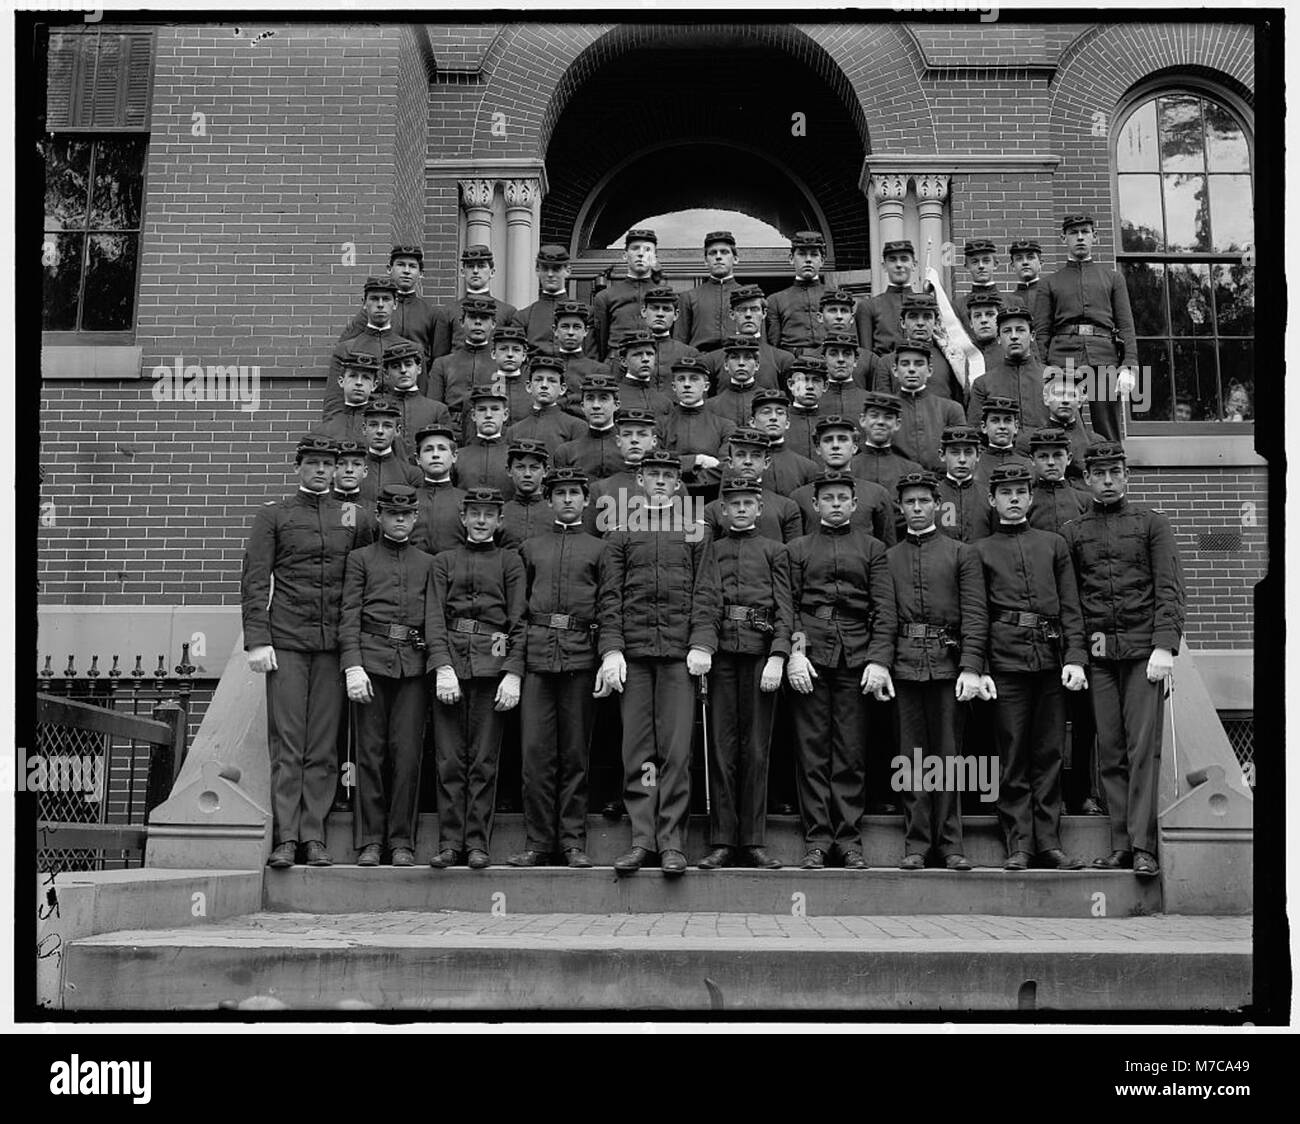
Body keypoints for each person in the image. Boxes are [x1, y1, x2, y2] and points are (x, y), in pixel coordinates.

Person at [241, 435, 374, 869]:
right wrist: (258, 638)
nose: (321, 470)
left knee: (322, 743)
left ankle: (313, 835)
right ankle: (286, 837)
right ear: (298, 467)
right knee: (287, 742)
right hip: (288, 642)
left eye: (328, 464)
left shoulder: (353, 517)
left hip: (335, 645)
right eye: (313, 463)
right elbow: (256, 580)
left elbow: (366, 579)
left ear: (338, 470)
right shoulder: (273, 516)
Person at [595, 450, 721, 876]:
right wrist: (611, 650)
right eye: (654, 475)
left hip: (678, 659)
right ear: (641, 479)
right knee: (638, 753)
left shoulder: (696, 530)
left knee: (675, 753)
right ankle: (642, 839)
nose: (662, 481)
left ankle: (672, 842)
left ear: (679, 481)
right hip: (634, 656)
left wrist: (702, 644)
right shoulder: (620, 532)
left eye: (669, 475)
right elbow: (609, 597)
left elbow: (706, 593)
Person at [1063, 443, 1186, 877]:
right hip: (1099, 659)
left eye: (1115, 472)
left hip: (1141, 655)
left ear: (1126, 476)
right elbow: (1071, 602)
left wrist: (1164, 646)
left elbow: (1169, 587)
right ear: (1088, 479)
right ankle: (1120, 842)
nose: (1108, 480)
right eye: (1100, 474)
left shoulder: (1153, 525)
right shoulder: (1074, 532)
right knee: (1110, 750)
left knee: (1141, 751)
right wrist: (1076, 657)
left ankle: (1143, 844)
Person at [974, 462, 1089, 872]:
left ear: (1031, 496)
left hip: (1050, 661)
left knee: (1050, 753)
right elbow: (977, 613)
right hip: (1006, 663)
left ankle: (1049, 842)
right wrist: (981, 665)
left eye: (1021, 491)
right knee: (1013, 753)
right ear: (992, 499)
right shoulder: (980, 550)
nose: (1014, 499)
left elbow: (1071, 606)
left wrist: (1076, 657)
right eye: (1006, 493)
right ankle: (1019, 842)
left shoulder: (1054, 545)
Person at [785, 470, 897, 869]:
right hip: (811, 658)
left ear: (854, 504)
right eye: (827, 498)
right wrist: (795, 652)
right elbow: (789, 607)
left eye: (842, 498)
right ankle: (817, 840)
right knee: (812, 751)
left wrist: (880, 660)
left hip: (856, 655)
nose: (835, 504)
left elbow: (885, 609)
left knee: (850, 752)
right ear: (815, 506)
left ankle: (848, 840)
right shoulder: (797, 549)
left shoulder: (873, 548)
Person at [507, 467, 608, 868]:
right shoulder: (530, 548)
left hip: (581, 658)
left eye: (574, 493)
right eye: (560, 493)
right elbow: (517, 614)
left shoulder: (600, 550)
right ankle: (539, 842)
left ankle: (572, 842)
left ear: (585, 500)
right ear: (549, 501)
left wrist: (604, 659)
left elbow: (608, 607)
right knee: (535, 754)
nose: (567, 499)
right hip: (536, 659)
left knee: (574, 755)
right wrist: (514, 667)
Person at [888, 470, 987, 871]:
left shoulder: (961, 553)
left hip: (949, 667)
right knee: (910, 759)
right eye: (909, 502)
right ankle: (916, 844)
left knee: (949, 758)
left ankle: (950, 844)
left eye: (923, 501)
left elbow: (976, 615)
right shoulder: (888, 557)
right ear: (901, 507)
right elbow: (883, 615)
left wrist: (971, 667)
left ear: (936, 505)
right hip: (904, 666)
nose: (916, 508)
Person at [426, 486, 526, 869]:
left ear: (500, 521)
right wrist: (443, 666)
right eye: (475, 514)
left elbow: (518, 621)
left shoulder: (510, 562)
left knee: (484, 760)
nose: (481, 521)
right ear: (463, 518)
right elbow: (433, 616)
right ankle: (450, 843)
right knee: (449, 760)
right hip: (451, 664)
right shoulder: (444, 561)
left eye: (489, 514)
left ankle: (477, 843)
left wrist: (512, 673)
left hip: (491, 667)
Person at [699, 475, 794, 871]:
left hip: (760, 656)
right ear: (722, 510)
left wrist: (778, 656)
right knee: (721, 749)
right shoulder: (712, 550)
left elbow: (787, 609)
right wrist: (701, 647)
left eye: (747, 503)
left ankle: (753, 841)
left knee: (756, 748)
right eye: (733, 503)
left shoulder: (776, 551)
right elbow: (703, 601)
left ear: (759, 508)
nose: (740, 509)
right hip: (721, 655)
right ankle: (722, 841)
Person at [340, 485, 436, 868]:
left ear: (415, 518)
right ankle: (370, 840)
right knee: (370, 754)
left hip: (412, 667)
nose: (400, 520)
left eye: (407, 515)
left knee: (407, 755)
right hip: (371, 663)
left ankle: (401, 841)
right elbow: (348, 613)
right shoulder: (360, 559)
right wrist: (353, 665)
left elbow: (433, 619)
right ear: (378, 517)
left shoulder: (428, 563)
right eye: (392, 514)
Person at [1033, 213, 1139, 442]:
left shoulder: (1112, 278)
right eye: (1073, 233)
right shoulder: (1049, 283)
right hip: (1062, 360)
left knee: (1107, 428)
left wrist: (1129, 365)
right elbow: (1042, 332)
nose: (1080, 238)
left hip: (1103, 357)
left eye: (1085, 232)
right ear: (1064, 238)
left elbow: (1126, 326)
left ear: (1095, 237)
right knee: (1063, 426)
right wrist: (1042, 368)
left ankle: (1111, 470)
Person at [790, 415, 895, 545]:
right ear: (818, 448)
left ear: (855, 447)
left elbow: (887, 548)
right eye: (828, 440)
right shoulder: (800, 497)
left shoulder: (877, 494)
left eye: (843, 439)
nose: (835, 446)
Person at [342, 244, 449, 372]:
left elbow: (439, 361)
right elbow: (347, 347)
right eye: (401, 265)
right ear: (389, 269)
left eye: (412, 266)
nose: (406, 271)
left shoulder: (432, 314)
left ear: (421, 273)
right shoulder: (375, 310)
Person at [324, 277, 418, 418]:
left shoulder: (411, 348)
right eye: (374, 299)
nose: (380, 305)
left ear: (395, 304)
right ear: (364, 303)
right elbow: (334, 402)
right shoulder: (346, 350)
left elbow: (418, 398)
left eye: (386, 299)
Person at [702, 428, 803, 544]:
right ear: (730, 462)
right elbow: (706, 555)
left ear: (766, 463)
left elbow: (793, 553)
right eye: (740, 455)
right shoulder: (712, 511)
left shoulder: (786, 507)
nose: (748, 461)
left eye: (756, 455)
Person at [967, 304, 1049, 436]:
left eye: (1020, 330)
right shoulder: (983, 384)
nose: (1014, 336)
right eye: (1007, 331)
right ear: (999, 338)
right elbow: (975, 432)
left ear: (1032, 335)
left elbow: (1069, 428)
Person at [659, 355, 735, 500]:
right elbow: (656, 466)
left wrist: (680, 478)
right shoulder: (661, 425)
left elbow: (726, 469)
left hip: (710, 501)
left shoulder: (725, 426)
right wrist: (697, 460)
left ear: (706, 386)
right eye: (681, 379)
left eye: (694, 379)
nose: (687, 385)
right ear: (674, 387)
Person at [874, 291, 964, 403]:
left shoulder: (951, 359)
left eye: (927, 317)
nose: (920, 323)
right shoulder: (886, 363)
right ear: (902, 322)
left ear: (936, 322)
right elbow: (883, 408)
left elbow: (958, 404)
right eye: (913, 317)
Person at [701, 285, 793, 393]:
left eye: (754, 309)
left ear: (764, 313)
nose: (748, 315)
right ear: (732, 314)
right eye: (742, 310)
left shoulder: (782, 360)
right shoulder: (712, 360)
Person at [891, 343, 966, 473]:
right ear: (895, 370)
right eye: (905, 364)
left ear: (930, 370)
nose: (912, 369)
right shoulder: (887, 409)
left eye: (919, 364)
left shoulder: (950, 409)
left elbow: (959, 453)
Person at [427, 295, 498, 429]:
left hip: (488, 428)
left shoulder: (500, 365)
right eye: (472, 317)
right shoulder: (443, 364)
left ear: (493, 324)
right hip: (452, 430)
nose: (478, 322)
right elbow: (434, 408)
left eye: (484, 318)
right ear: (461, 322)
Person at [583, 407, 657, 536]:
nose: (634, 440)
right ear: (618, 441)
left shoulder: (672, 486)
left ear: (654, 441)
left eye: (642, 434)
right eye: (627, 434)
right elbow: (591, 540)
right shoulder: (600, 489)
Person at [592, 228, 662, 360]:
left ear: (654, 258)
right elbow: (600, 340)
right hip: (617, 363)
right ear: (625, 255)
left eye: (647, 250)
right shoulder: (606, 297)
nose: (641, 254)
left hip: (655, 363)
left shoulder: (666, 297)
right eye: (635, 248)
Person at [513, 245, 592, 355]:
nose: (550, 274)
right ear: (537, 271)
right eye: (545, 269)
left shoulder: (587, 314)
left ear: (568, 271)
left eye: (556, 269)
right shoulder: (523, 317)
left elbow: (591, 356)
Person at [381, 339, 451, 462]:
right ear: (386, 373)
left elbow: (445, 452)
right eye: (396, 366)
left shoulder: (437, 410)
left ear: (419, 368)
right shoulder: (378, 408)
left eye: (408, 364)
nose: (403, 370)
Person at [440, 244, 516, 352]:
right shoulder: (448, 312)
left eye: (481, 266)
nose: (475, 271)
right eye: (470, 266)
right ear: (462, 272)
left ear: (492, 272)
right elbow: (441, 356)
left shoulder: (507, 312)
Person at [505, 352, 585, 454]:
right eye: (538, 379)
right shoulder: (514, 431)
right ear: (529, 387)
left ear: (562, 389)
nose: (544, 385)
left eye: (552, 381)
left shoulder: (575, 427)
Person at [676, 231, 742, 353]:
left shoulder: (748, 297)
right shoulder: (689, 297)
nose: (718, 256)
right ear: (706, 261)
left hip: (738, 361)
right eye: (713, 253)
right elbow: (680, 342)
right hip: (701, 363)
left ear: (736, 259)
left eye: (724, 252)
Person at [766, 230, 829, 352]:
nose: (808, 260)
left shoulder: (832, 296)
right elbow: (774, 346)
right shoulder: (775, 300)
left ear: (822, 260)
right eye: (802, 254)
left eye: (814, 254)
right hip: (793, 363)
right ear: (791, 259)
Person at [749, 388, 820, 496]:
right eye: (766, 412)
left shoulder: (807, 468)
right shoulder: (741, 466)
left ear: (787, 423)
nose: (773, 418)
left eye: (780, 413)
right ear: (752, 422)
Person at [553, 372, 623, 480]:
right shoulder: (567, 452)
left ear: (616, 405)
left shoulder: (628, 450)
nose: (596, 406)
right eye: (590, 398)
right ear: (582, 406)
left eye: (603, 398)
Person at [409, 424, 466, 556]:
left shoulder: (466, 501)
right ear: (418, 458)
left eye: (442, 449)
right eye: (428, 449)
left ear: (454, 456)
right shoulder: (408, 500)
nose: (435, 455)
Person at [935, 425, 995, 544]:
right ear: (942, 455)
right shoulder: (932, 496)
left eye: (968, 452)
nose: (962, 459)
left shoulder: (988, 496)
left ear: (978, 455)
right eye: (955, 452)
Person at [856, 239, 917, 356]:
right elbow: (866, 356)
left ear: (914, 264)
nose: (899, 265)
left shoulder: (928, 304)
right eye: (892, 260)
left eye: (904, 259)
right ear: (884, 266)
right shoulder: (869, 307)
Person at [357, 397, 422, 503]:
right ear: (364, 429)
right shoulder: (353, 472)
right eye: (373, 425)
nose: (380, 431)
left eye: (387, 426)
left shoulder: (411, 474)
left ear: (397, 430)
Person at [455, 385, 515, 499]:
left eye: (495, 409)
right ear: (473, 415)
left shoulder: (514, 457)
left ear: (505, 415)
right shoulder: (457, 457)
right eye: (482, 409)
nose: (488, 415)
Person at [549, 301, 611, 410]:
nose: (571, 332)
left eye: (576, 327)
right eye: (565, 327)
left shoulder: (598, 370)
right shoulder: (545, 367)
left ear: (586, 331)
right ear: (555, 330)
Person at [499, 439, 551, 549]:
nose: (527, 474)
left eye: (534, 468)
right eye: (520, 467)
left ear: (546, 471)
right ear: (509, 470)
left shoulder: (556, 514)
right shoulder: (499, 514)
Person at [611, 328, 675, 418]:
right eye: (637, 354)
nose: (645, 359)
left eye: (649, 354)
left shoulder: (665, 402)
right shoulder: (614, 398)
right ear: (624, 361)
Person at [705, 335, 767, 427]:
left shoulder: (768, 402)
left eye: (747, 357)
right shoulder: (712, 406)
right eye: (735, 357)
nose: (741, 363)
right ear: (726, 364)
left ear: (757, 364)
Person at [972, 396, 1031, 492]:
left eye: (1007, 420)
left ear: (1016, 427)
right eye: (995, 420)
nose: (1002, 426)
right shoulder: (975, 464)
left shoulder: (1028, 465)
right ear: (984, 427)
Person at [321, 354, 381, 445]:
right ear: (341, 381)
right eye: (353, 376)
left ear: (374, 385)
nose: (359, 382)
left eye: (366, 377)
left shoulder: (381, 425)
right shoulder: (329, 424)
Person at [640, 286, 699, 377]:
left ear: (676, 315)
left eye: (666, 309)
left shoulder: (689, 354)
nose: (660, 314)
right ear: (644, 312)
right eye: (654, 308)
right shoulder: (630, 353)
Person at [953, 238, 1003, 331]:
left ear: (996, 264)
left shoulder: (1013, 301)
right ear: (967, 267)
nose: (981, 266)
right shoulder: (958, 307)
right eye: (975, 261)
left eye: (986, 260)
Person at [785, 357, 829, 460]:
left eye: (816, 380)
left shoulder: (831, 424)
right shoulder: (779, 423)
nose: (810, 386)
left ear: (825, 386)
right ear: (791, 384)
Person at [818, 336, 869, 421]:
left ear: (856, 361)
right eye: (833, 354)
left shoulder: (868, 401)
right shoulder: (815, 400)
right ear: (824, 360)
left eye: (847, 354)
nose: (841, 359)